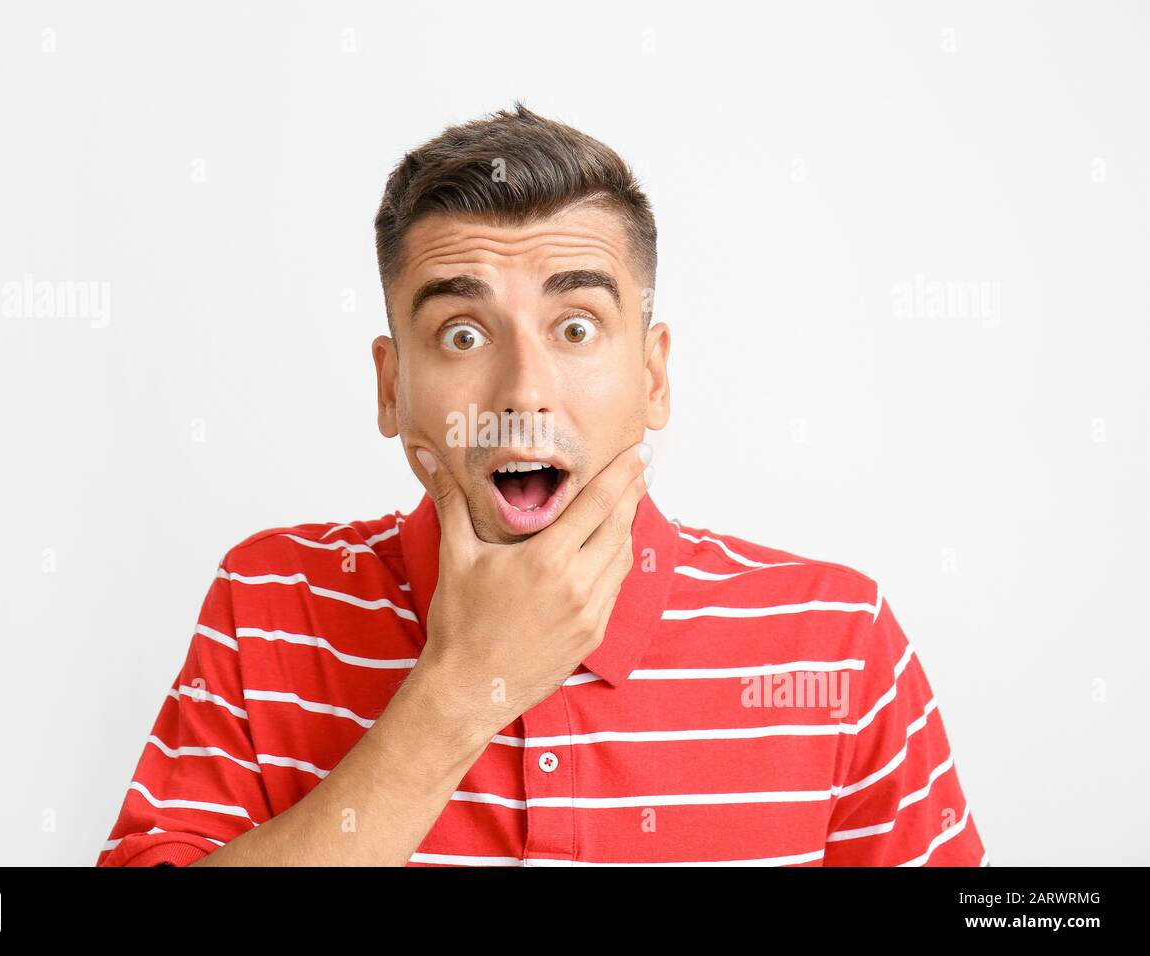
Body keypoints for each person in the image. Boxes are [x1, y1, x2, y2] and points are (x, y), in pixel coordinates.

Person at [97, 102, 987, 867]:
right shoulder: (268, 604)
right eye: (462, 335)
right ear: (391, 387)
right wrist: (465, 682)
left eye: (575, 326)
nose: (523, 393)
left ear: (652, 377)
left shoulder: (835, 643)